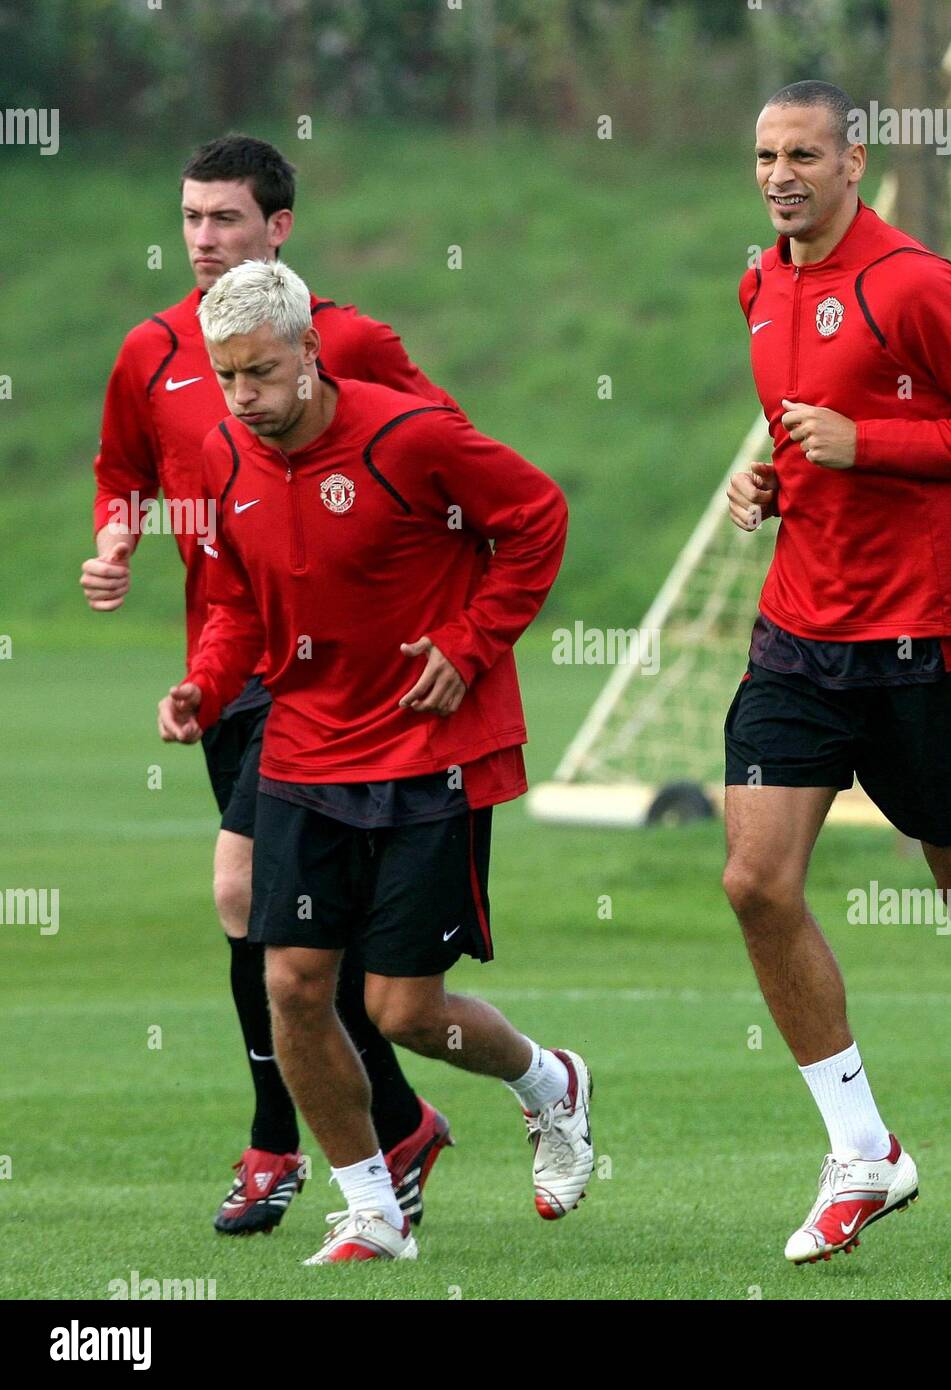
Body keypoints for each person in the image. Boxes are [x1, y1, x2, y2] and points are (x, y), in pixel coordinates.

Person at [723, 81, 951, 1269]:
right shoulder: (760, 280)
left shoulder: (915, 285)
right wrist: (774, 483)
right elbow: (804, 437)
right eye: (763, 153)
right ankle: (860, 1151)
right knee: (752, 881)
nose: (780, 173)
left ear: (854, 161)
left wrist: (869, 445)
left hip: (920, 645)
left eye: (801, 153)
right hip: (796, 636)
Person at [158, 257, 592, 1264]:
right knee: (296, 986)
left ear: (311, 352)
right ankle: (372, 1210)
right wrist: (207, 687)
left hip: (428, 754)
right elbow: (232, 607)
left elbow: (535, 519)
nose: (245, 397)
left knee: (401, 1009)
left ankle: (546, 1083)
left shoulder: (412, 437)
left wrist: (471, 642)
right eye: (227, 377)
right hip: (304, 753)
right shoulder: (223, 459)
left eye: (262, 372)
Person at [81, 134, 456, 1235]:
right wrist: (118, 544)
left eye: (226, 220)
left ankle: (277, 1140)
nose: (203, 239)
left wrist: (429, 612)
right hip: (231, 668)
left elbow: (444, 458)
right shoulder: (150, 351)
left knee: (251, 900)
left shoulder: (346, 341)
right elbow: (126, 473)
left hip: (339, 678)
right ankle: (393, 1123)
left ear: (278, 229)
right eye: (191, 218)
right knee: (290, 922)